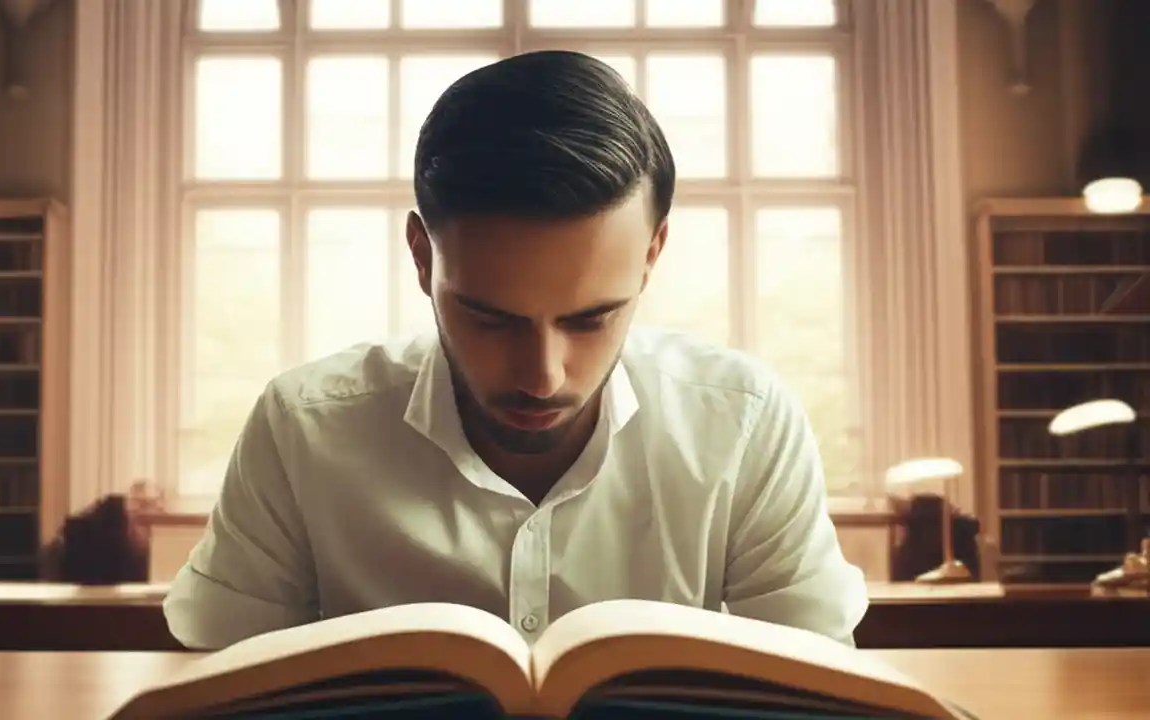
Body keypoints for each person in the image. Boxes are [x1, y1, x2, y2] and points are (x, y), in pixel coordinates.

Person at [164, 50, 867, 650]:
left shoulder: (744, 424)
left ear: (652, 254)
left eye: (592, 319)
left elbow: (820, 681)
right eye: (489, 318)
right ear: (420, 256)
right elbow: (215, 679)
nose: (543, 376)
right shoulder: (300, 427)